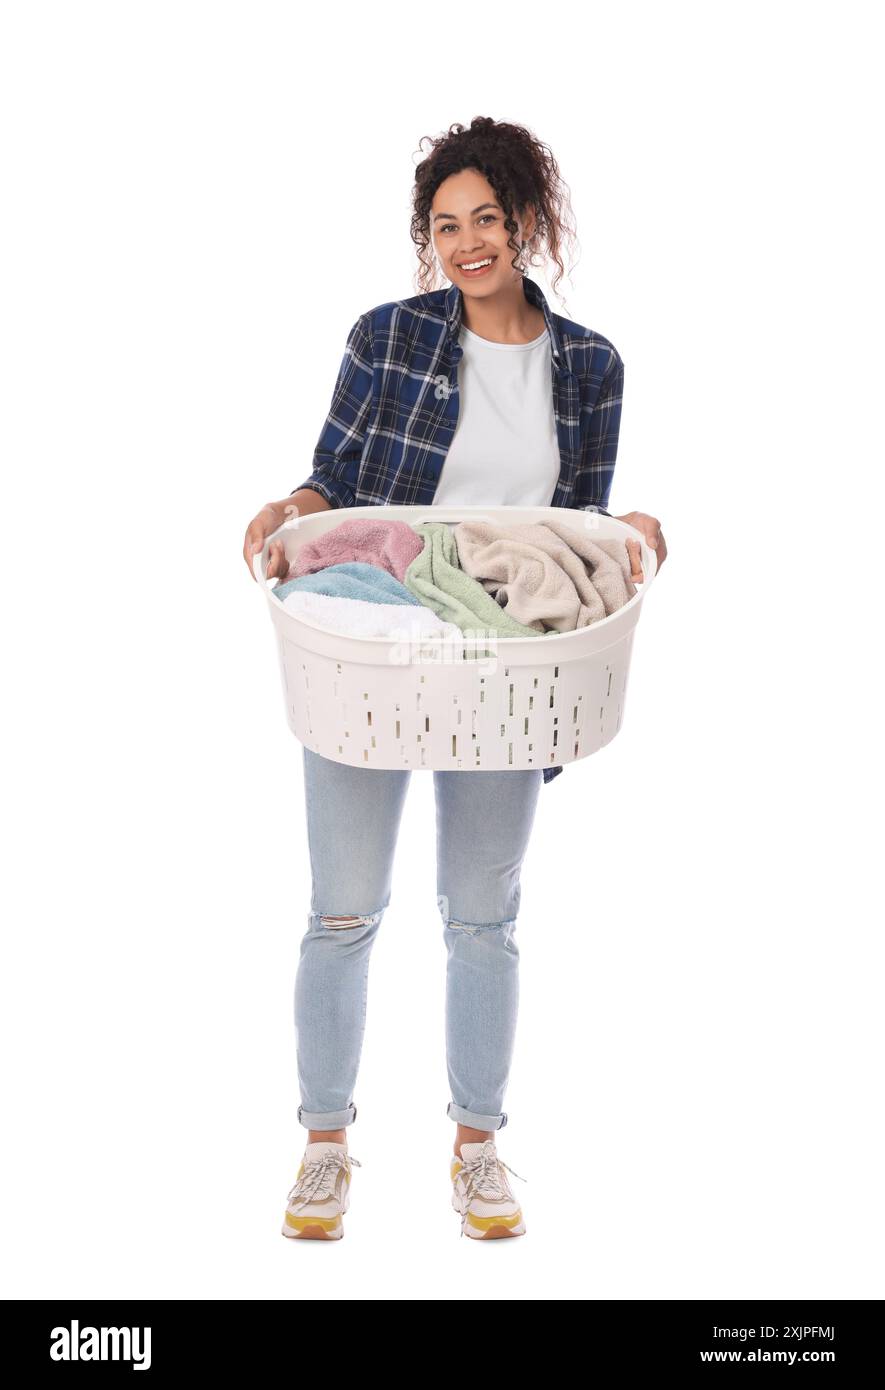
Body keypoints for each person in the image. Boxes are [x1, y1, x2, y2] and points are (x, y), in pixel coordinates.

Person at [243, 116, 667, 1241]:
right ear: (426, 241)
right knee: (342, 912)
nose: (469, 243)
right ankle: (324, 1144)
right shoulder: (386, 337)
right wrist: (291, 513)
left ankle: (479, 1149)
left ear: (529, 222)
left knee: (484, 920)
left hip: (505, 667)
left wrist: (625, 529)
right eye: (446, 226)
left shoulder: (591, 365)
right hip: (372, 644)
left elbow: (571, 529)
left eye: (488, 218)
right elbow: (334, 480)